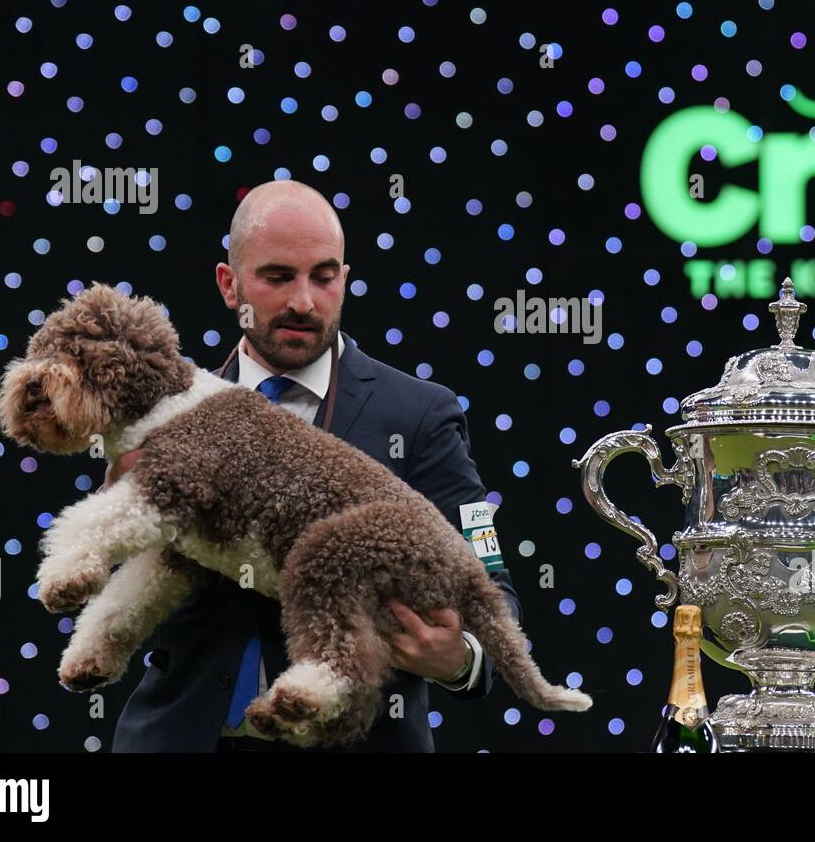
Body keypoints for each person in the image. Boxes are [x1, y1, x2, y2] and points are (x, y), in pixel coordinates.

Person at [109, 179, 521, 752]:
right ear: (230, 285)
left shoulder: (424, 415)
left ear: (344, 281)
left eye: (324, 277)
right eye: (278, 277)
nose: (303, 301)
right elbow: (121, 584)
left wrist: (460, 659)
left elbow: (491, 582)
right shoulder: (168, 411)